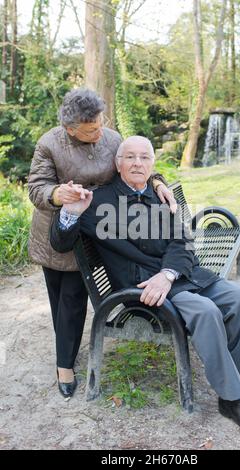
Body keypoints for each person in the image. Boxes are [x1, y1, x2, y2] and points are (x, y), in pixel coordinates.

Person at [50, 135, 240, 432]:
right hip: (144, 289)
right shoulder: (98, 201)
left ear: (152, 165)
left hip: (177, 277)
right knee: (206, 312)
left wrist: (168, 273)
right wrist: (70, 213)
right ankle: (232, 399)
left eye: (144, 157)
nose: (137, 163)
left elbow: (181, 241)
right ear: (118, 164)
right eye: (130, 157)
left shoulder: (160, 195)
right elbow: (60, 243)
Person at [28, 89, 176, 399]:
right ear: (71, 128)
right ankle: (64, 361)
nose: (99, 131)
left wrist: (158, 181)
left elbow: (133, 164)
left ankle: (64, 359)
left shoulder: (111, 138)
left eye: (100, 123)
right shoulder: (50, 144)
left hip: (102, 228)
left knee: (73, 299)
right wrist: (58, 195)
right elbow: (37, 188)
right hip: (62, 231)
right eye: (91, 128)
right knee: (63, 301)